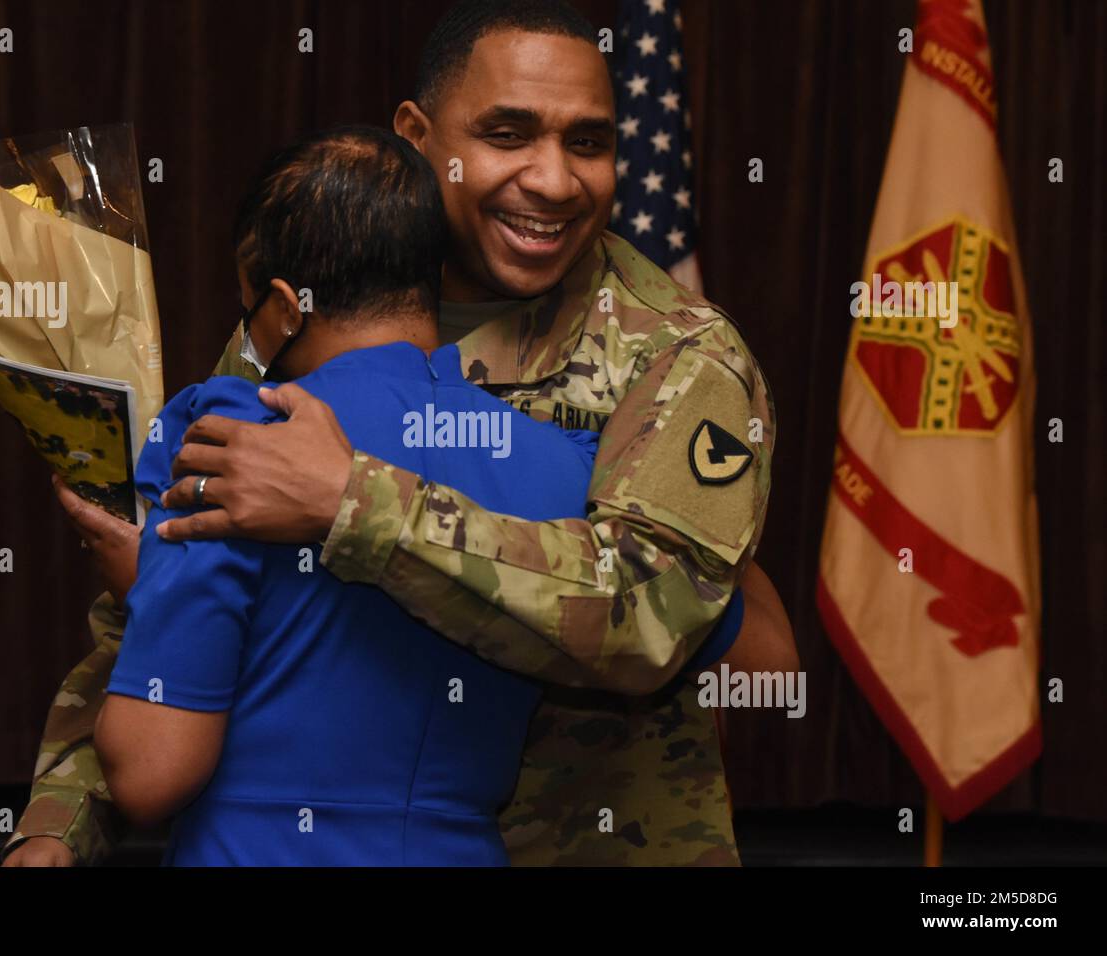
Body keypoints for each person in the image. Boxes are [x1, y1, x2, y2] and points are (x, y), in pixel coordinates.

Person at [4, 0, 794, 868]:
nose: (555, 180)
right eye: (508, 133)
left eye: (589, 143)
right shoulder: (293, 329)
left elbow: (656, 620)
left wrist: (354, 503)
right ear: (419, 137)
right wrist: (61, 818)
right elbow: (179, 597)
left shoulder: (681, 357)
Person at [94, 125, 733, 865]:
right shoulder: (568, 467)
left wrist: (145, 593)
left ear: (283, 304)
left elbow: (151, 773)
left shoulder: (230, 440)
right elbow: (713, 625)